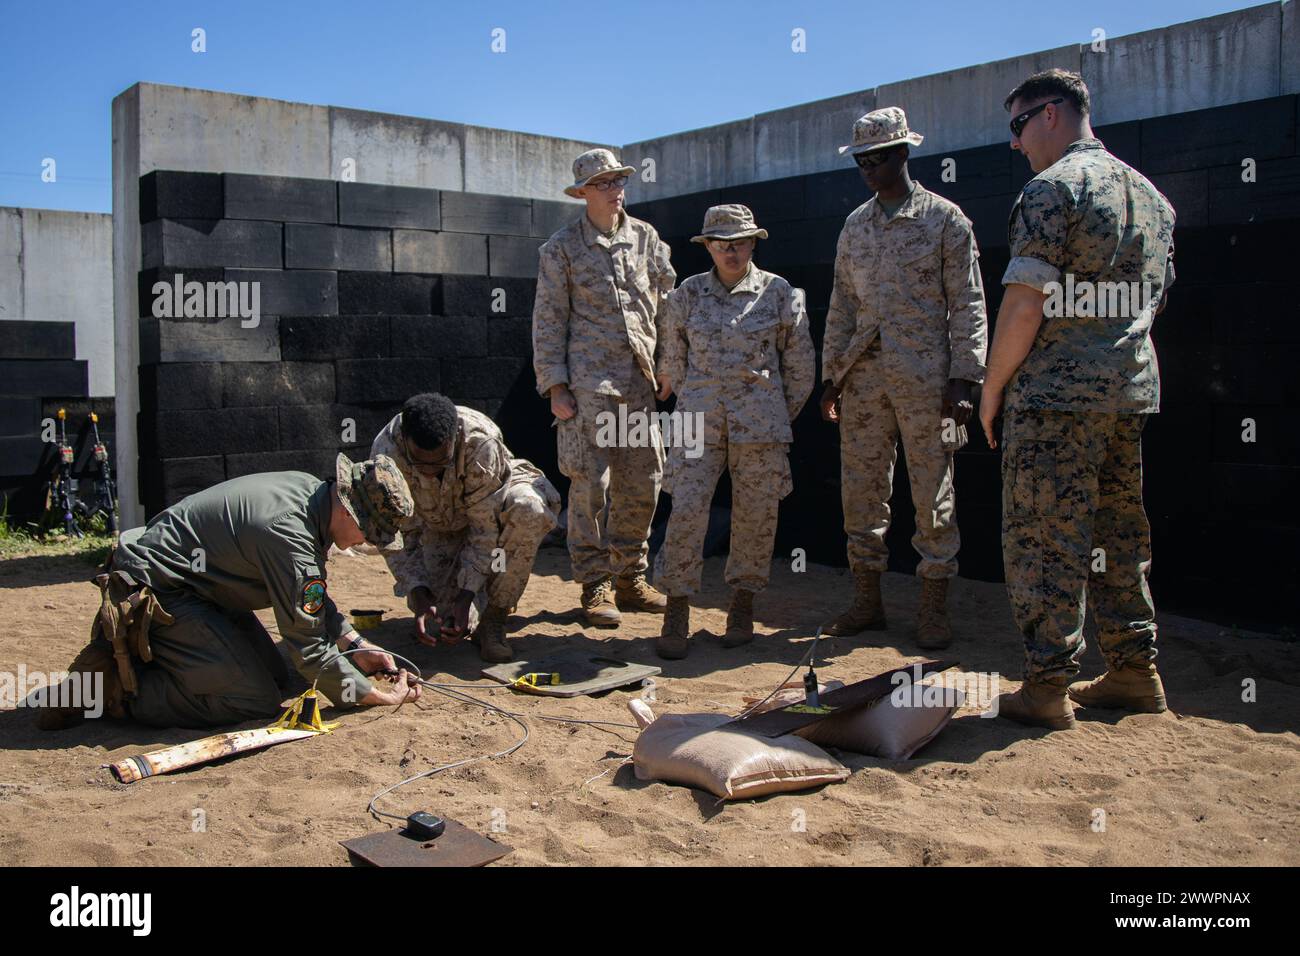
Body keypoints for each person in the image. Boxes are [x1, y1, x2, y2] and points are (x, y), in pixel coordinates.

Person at [979, 69, 1176, 731]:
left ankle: (1046, 686)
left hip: (1057, 399)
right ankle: (1133, 670)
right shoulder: (1152, 198)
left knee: (1044, 540)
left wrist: (993, 386)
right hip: (1126, 394)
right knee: (1120, 534)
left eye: (1019, 125)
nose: (1015, 143)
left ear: (1054, 114)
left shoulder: (1052, 188)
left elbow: (1024, 303)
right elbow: (1156, 298)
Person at [39, 454, 417, 730]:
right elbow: (311, 650)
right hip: (161, 590)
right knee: (253, 699)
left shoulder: (310, 493)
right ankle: (113, 689)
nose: (364, 542)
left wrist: (355, 645)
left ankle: (163, 659)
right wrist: (379, 696)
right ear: (351, 513)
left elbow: (307, 597)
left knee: (275, 676)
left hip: (202, 587)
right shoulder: (291, 538)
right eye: (369, 534)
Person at [820, 107, 989, 648]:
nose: (869, 168)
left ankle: (933, 607)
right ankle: (867, 603)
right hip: (864, 379)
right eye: (861, 160)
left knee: (932, 492)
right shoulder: (855, 226)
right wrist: (832, 376)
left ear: (904, 154)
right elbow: (842, 305)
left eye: (880, 157)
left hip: (928, 381)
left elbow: (967, 302)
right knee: (861, 492)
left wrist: (965, 377)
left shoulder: (945, 220)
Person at [653, 205, 814, 659]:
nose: (731, 250)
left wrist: (773, 412)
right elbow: (672, 360)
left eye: (740, 241)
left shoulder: (780, 293)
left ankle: (742, 605)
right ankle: (677, 607)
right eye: (721, 242)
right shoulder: (686, 295)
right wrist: (696, 400)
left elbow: (799, 364)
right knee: (686, 510)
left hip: (760, 425)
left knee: (756, 516)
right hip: (696, 422)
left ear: (754, 242)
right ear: (707, 246)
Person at [532, 148, 675, 628]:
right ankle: (595, 584)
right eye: (605, 183)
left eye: (619, 181)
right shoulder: (561, 248)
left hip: (638, 384)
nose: (616, 190)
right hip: (589, 386)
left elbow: (667, 306)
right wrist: (555, 386)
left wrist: (669, 365)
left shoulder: (647, 239)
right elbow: (549, 320)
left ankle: (630, 577)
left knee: (643, 482)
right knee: (590, 486)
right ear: (583, 193)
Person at [370, 392, 560, 663]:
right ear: (405, 441)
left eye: (439, 463)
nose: (427, 472)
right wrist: (417, 590)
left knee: (528, 508)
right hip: (439, 523)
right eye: (420, 463)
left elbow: (485, 529)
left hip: (496, 503)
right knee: (443, 616)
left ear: (453, 440)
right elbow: (392, 532)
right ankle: (470, 608)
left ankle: (495, 616)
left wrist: (466, 594)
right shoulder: (385, 455)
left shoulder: (480, 442)